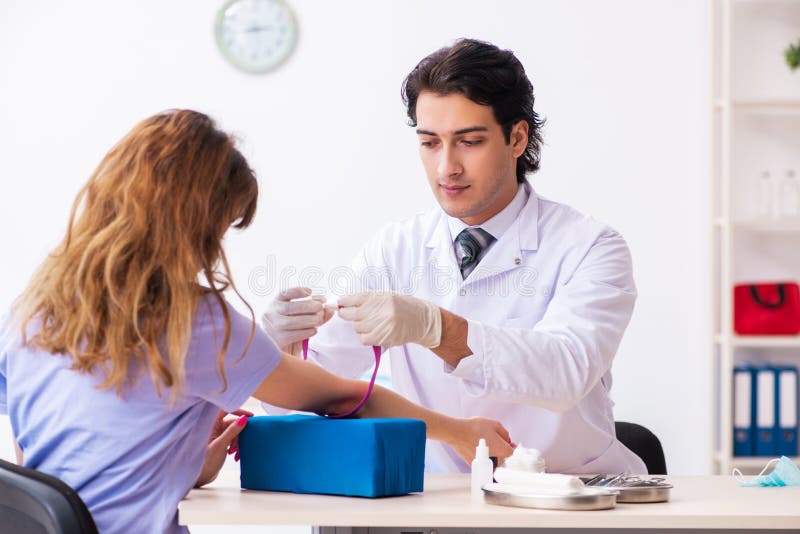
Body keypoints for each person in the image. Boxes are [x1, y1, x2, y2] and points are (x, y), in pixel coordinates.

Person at [0, 109, 512, 534]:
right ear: (194, 222)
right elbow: (342, 397)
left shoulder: (31, 310)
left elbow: (44, 471)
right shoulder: (191, 321)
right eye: (220, 228)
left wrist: (176, 464)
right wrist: (460, 430)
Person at [262, 39, 647, 475]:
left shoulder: (590, 246)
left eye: (469, 142)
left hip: (568, 497)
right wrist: (279, 348)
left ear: (517, 137)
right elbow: (320, 388)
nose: (447, 167)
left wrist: (436, 327)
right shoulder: (394, 249)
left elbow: (565, 370)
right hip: (438, 505)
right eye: (430, 143)